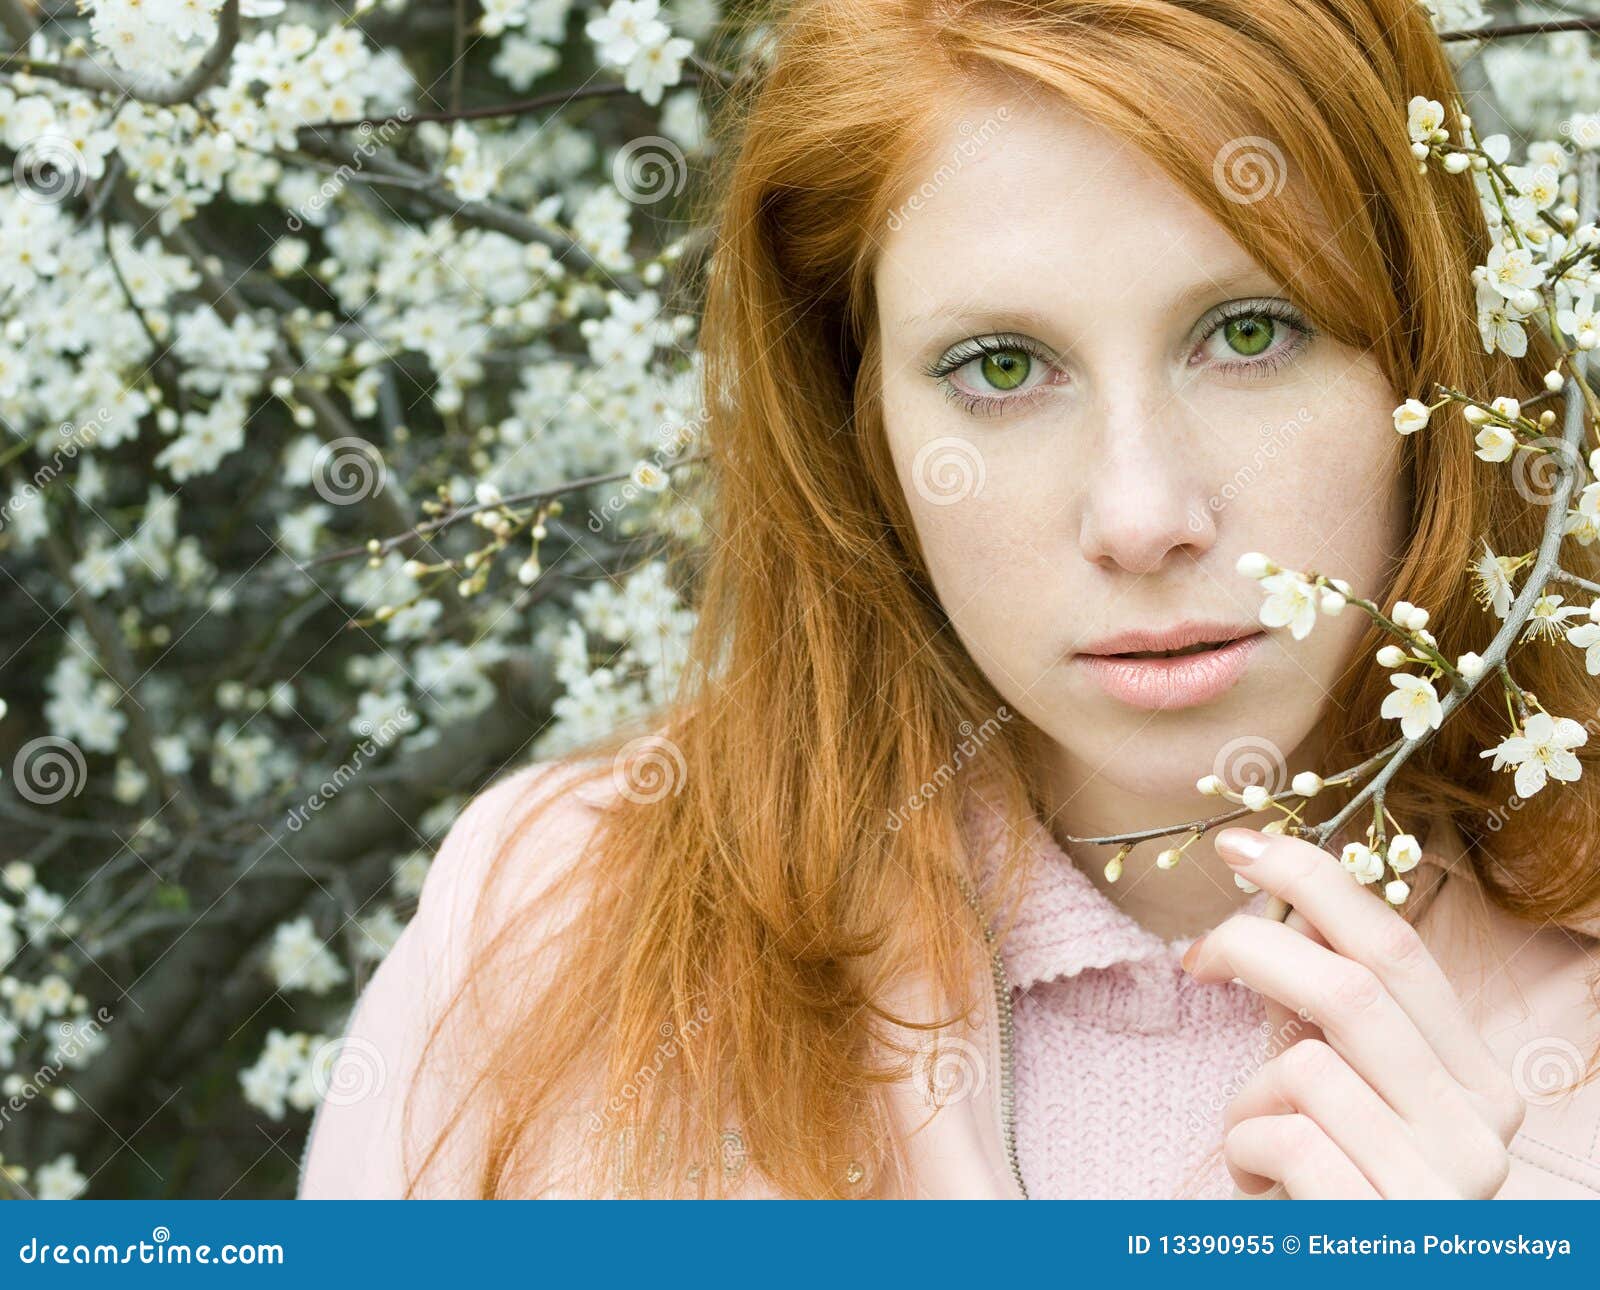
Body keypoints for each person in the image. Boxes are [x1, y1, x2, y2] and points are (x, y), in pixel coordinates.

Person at [298, 0, 1600, 1199]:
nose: (1143, 515)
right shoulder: (552, 929)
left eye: (1252, 331)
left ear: (1431, 352)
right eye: (1001, 364)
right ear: (855, 406)